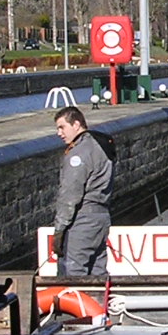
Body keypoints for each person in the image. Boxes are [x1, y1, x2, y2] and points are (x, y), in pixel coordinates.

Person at [53, 105, 115, 277]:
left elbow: (70, 194)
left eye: (62, 127)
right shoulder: (101, 146)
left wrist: (60, 229)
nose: (59, 133)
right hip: (102, 216)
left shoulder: (78, 153)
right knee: (98, 271)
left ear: (76, 124)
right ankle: (100, 302)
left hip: (82, 219)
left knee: (73, 273)